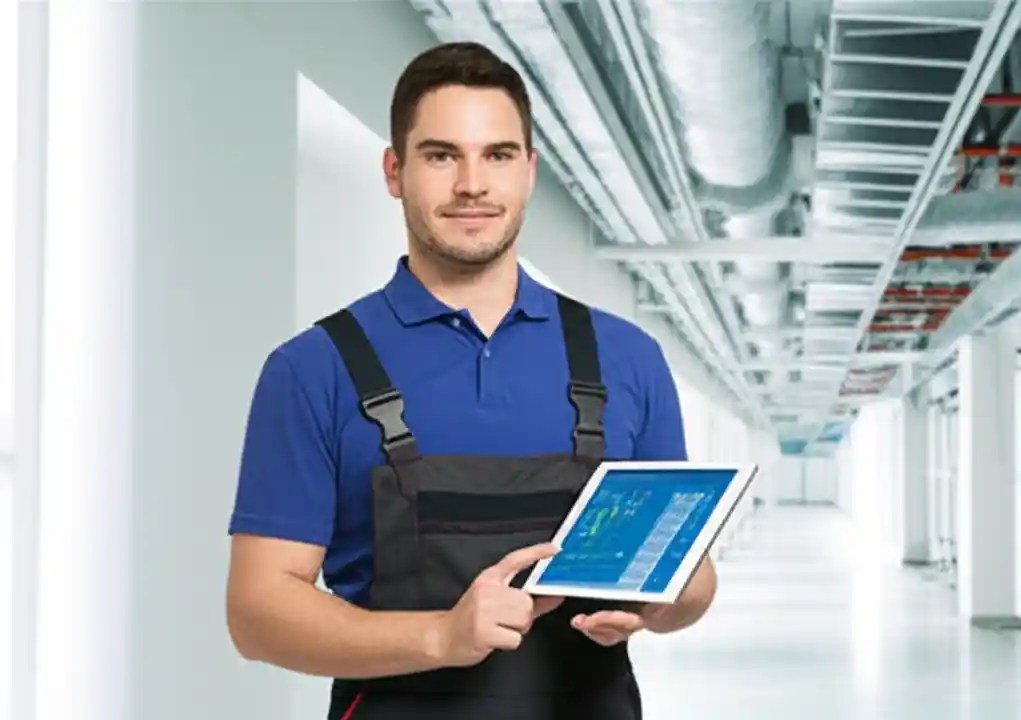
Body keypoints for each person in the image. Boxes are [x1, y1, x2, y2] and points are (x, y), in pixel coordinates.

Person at [224, 41, 717, 719]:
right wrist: (439, 635)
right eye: (441, 155)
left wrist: (654, 603)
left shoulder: (626, 358)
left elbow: (693, 580)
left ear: (530, 170)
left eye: (498, 155)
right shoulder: (313, 369)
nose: (472, 185)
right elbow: (257, 612)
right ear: (395, 170)